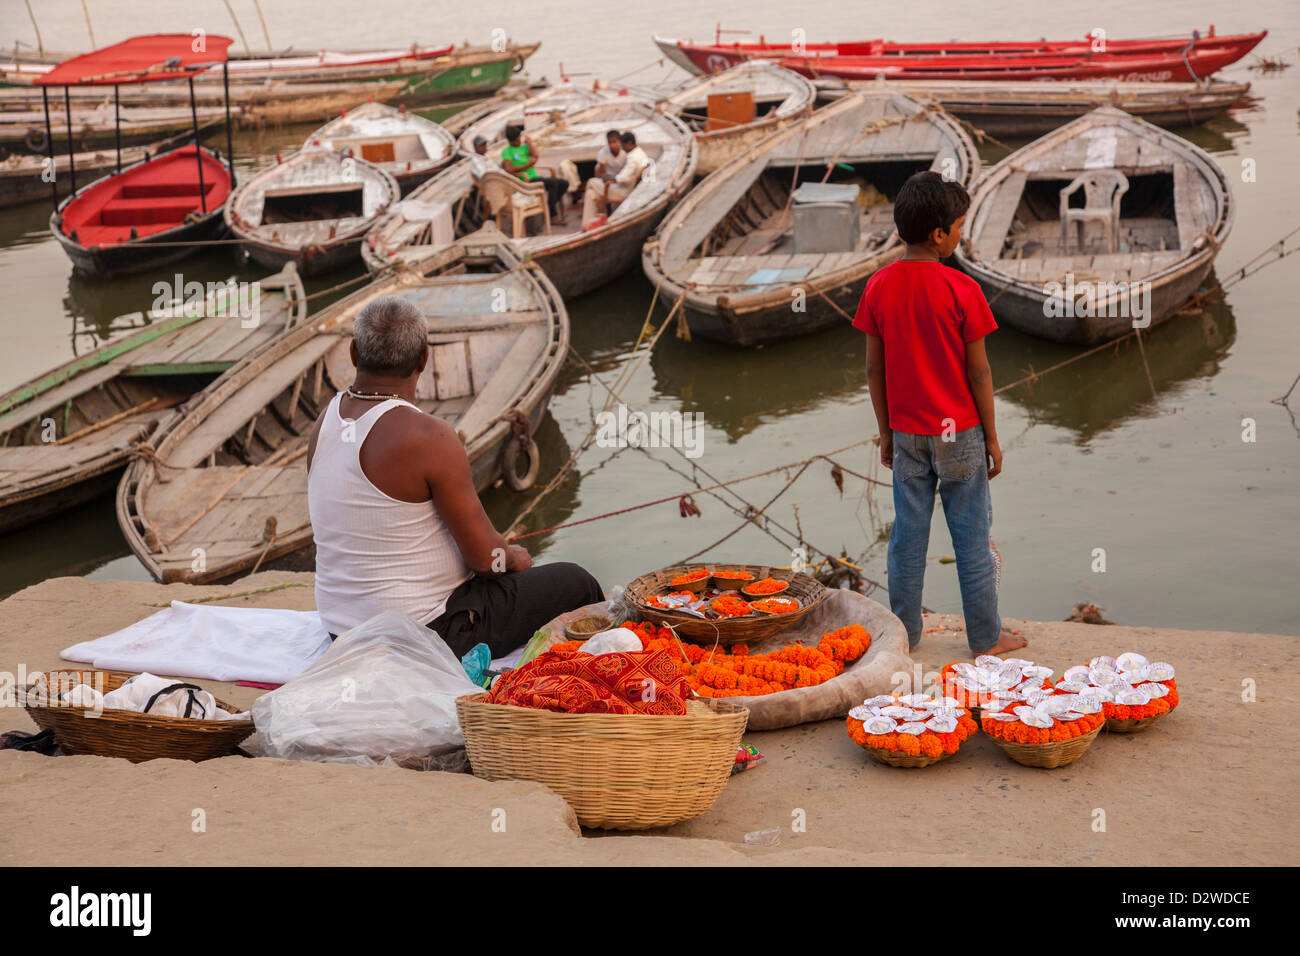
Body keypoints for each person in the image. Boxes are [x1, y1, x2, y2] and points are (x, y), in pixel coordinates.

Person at [306, 296, 603, 656]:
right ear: (424, 359)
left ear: (353, 354)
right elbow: (485, 562)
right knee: (576, 582)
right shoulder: (431, 437)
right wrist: (513, 557)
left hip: (342, 630)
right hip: (427, 633)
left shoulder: (324, 422)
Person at [853, 170, 1025, 658]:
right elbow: (980, 375)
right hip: (961, 434)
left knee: (907, 539)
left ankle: (903, 637)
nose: (961, 232)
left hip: (907, 432)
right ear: (939, 234)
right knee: (972, 538)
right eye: (959, 225)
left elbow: (873, 369)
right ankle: (987, 639)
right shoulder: (962, 290)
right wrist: (992, 437)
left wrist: (885, 432)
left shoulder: (878, 287)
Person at [501, 123, 569, 225]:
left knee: (564, 183)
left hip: (535, 177)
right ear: (512, 140)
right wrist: (528, 164)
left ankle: (548, 207)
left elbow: (536, 156)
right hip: (525, 180)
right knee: (553, 184)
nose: (520, 140)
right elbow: (509, 169)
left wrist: (529, 144)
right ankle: (552, 216)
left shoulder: (524, 147)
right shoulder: (507, 151)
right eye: (518, 138)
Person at [582, 130, 651, 228]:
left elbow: (623, 177)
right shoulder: (640, 153)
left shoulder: (633, 158)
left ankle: (589, 222)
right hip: (621, 186)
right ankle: (588, 223)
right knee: (590, 194)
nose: (621, 147)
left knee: (590, 182)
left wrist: (613, 179)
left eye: (622, 144)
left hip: (622, 190)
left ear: (629, 143)